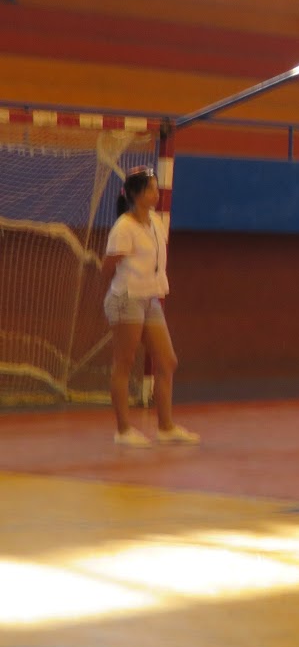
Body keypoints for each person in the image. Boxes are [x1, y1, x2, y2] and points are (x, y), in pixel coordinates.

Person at [102, 169, 198, 448]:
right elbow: (107, 266)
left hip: (150, 299)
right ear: (135, 194)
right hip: (127, 298)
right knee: (124, 362)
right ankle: (123, 430)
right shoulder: (124, 228)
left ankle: (166, 427)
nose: (157, 193)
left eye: (157, 188)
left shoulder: (155, 221)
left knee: (167, 361)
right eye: (151, 189)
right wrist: (110, 299)